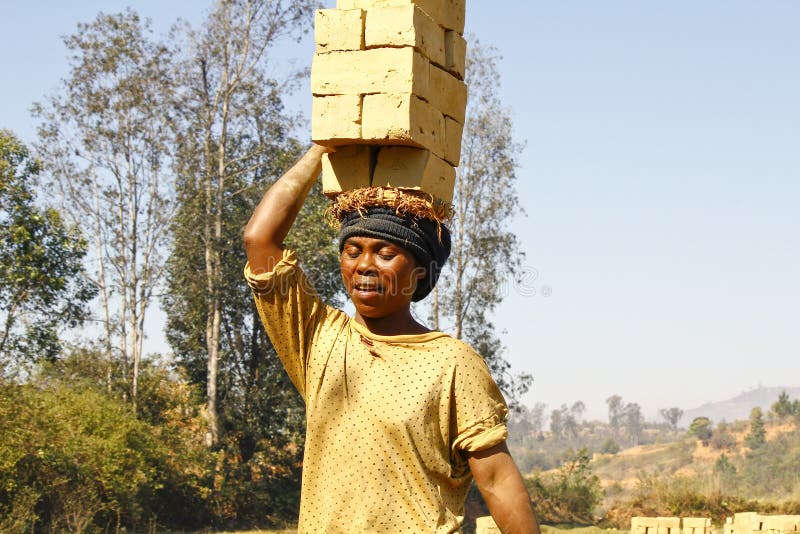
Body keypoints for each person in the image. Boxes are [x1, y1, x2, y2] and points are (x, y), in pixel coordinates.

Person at [243, 144, 539, 533]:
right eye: (353, 251)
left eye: (385, 253)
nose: (364, 265)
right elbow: (259, 238)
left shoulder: (452, 362)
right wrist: (326, 147)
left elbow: (497, 479)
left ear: (419, 272)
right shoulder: (319, 338)